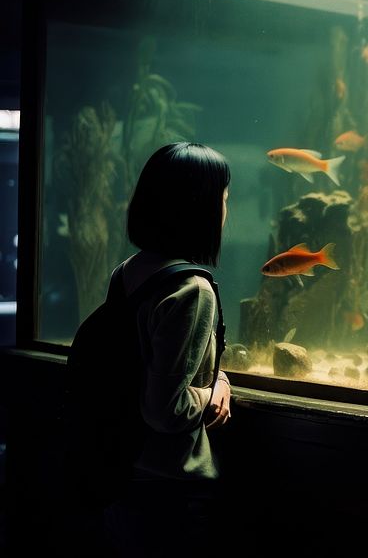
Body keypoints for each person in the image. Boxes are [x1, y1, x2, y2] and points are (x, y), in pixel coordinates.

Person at [103, 142, 232, 556]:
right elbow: (165, 408)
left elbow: (142, 367)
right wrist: (213, 393)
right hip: (168, 488)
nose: (227, 209)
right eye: (224, 198)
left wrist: (217, 376)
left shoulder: (129, 271)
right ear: (203, 208)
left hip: (120, 471)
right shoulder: (191, 290)